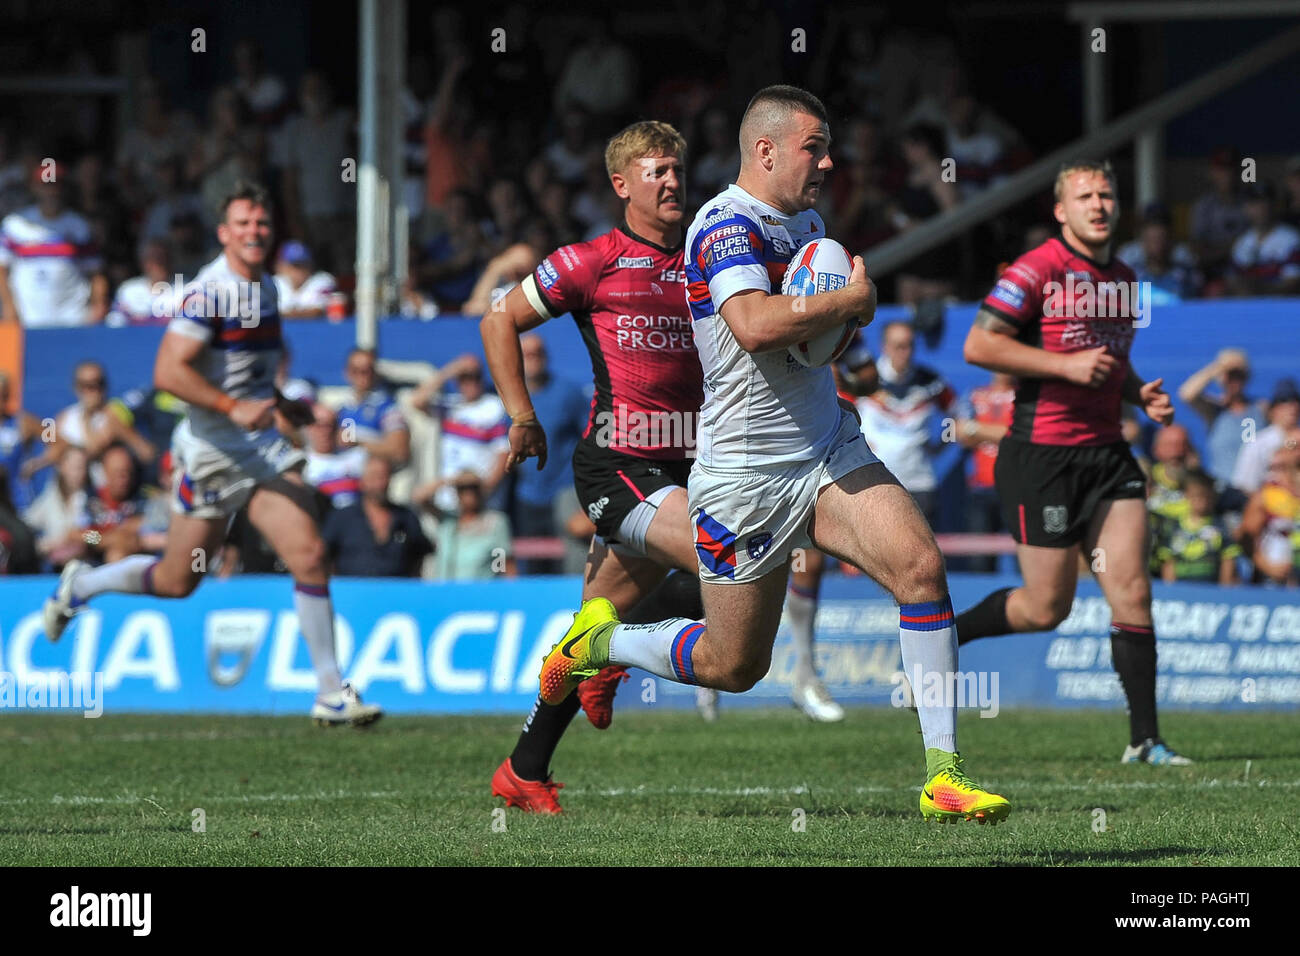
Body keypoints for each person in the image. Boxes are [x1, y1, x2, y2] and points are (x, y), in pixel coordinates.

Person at [537, 87, 1010, 824]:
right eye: (814, 148)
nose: (828, 161)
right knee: (736, 665)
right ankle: (605, 640)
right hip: (744, 474)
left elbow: (815, 343)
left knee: (920, 567)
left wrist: (842, 322)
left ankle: (942, 775)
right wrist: (851, 303)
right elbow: (756, 325)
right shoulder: (722, 226)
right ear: (766, 151)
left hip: (824, 448)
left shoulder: (810, 225)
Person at [41, 181, 381, 728]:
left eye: (262, 223)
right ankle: (83, 584)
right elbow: (167, 372)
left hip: (262, 450)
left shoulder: (267, 287)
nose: (254, 232)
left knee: (310, 554)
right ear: (224, 233)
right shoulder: (209, 293)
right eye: (242, 223)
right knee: (178, 581)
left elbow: (249, 373)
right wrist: (230, 405)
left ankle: (329, 693)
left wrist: (282, 405)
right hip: (211, 455)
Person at [483, 120, 712, 813]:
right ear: (621, 185)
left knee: (591, 620)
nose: (672, 181)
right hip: (619, 464)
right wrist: (522, 416)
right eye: (656, 172)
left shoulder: (709, 259)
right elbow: (499, 320)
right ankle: (616, 650)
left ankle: (524, 770)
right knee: (726, 558)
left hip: (692, 464)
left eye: (676, 169)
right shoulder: (591, 261)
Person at [956, 159, 1190, 766]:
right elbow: (978, 345)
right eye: (1084, 195)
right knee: (1046, 609)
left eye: (1107, 193)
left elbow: (1108, 363)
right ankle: (948, 636)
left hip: (1109, 455)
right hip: (1042, 459)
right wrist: (1064, 367)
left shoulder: (1126, 277)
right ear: (1061, 210)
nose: (1099, 204)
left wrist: (1141, 393)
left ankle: (1146, 741)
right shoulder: (1038, 269)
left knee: (1133, 591)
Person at [855, 320, 956, 525]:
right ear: (885, 347)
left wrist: (939, 446)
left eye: (910, 345)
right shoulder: (863, 381)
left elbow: (956, 416)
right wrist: (860, 446)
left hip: (920, 483)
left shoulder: (931, 382)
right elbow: (837, 415)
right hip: (876, 481)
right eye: (899, 346)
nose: (906, 352)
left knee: (921, 556)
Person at [508, 334, 590, 575]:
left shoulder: (568, 394)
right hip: (527, 498)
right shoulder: (511, 397)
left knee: (568, 562)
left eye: (538, 353)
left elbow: (591, 438)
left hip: (564, 495)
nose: (533, 359)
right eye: (527, 354)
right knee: (531, 567)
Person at [0, 164, 108, 326]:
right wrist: (9, 309)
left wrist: (98, 306)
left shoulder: (79, 226)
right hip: (28, 318)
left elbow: (96, 272)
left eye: (55, 185)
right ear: (34, 187)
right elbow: (2, 270)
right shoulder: (15, 224)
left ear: (63, 188)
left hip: (72, 318)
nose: (51, 191)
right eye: (45, 185)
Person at [410, 354, 511, 514]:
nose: (470, 383)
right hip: (448, 499)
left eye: (475, 377)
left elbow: (503, 455)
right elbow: (416, 401)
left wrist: (484, 491)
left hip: (479, 499)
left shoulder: (494, 407)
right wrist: (451, 370)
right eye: (465, 378)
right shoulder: (451, 406)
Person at [323, 455, 432, 577]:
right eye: (374, 477)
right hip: (352, 592)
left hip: (398, 593)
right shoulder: (342, 518)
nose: (380, 484)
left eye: (384, 476)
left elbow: (420, 554)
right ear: (362, 481)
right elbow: (325, 555)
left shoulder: (407, 517)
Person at [954, 372, 1016, 573]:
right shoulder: (974, 395)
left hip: (1017, 490)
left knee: (1024, 562)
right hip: (980, 490)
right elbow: (959, 432)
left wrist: (977, 429)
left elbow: (1023, 437)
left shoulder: (1027, 396)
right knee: (979, 564)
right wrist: (1003, 432)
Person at [1177, 349, 1266, 485]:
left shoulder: (1261, 409)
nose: (1234, 382)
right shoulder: (1214, 411)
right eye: (1230, 376)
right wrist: (1218, 367)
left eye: (1239, 376)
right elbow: (1186, 394)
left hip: (1255, 488)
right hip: (1223, 489)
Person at [420, 470, 511, 580]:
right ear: (457, 492)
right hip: (446, 593)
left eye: (473, 488)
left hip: (480, 592)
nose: (469, 492)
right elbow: (420, 498)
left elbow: (504, 563)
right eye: (463, 488)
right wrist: (449, 481)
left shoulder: (495, 522)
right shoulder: (448, 520)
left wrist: (503, 588)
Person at [1154, 470, 1239, 585]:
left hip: (1212, 590)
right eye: (1196, 496)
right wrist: (1171, 590)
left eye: (1206, 496)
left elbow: (1228, 560)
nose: (1201, 501)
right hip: (1180, 591)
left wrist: (1224, 591)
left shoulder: (1221, 526)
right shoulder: (1174, 527)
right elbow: (1169, 562)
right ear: (1186, 495)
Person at [336, 348, 411, 469]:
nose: (361, 376)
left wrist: (356, 443)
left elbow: (399, 451)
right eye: (355, 371)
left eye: (366, 371)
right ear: (347, 373)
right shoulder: (341, 408)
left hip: (371, 479)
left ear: (375, 372)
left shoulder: (387, 408)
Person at [1226, 182, 1300, 297]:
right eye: (1254, 203)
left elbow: (1293, 283)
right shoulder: (1242, 242)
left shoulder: (1291, 239)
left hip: (1283, 307)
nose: (1260, 208)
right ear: (1246, 208)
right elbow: (1232, 280)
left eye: (1264, 202)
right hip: (1250, 307)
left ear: (1275, 205)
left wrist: (1259, 290)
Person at [1230, 379, 1300, 496]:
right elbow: (1246, 486)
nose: (1292, 406)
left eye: (1296, 401)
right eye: (1284, 401)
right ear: (1272, 410)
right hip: (1271, 507)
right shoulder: (1259, 443)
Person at [272, 240, 337, 319]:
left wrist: (285, 314)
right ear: (282, 267)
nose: (300, 270)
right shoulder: (274, 283)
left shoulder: (323, 281)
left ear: (311, 265)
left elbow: (317, 312)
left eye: (304, 265)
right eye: (295, 265)